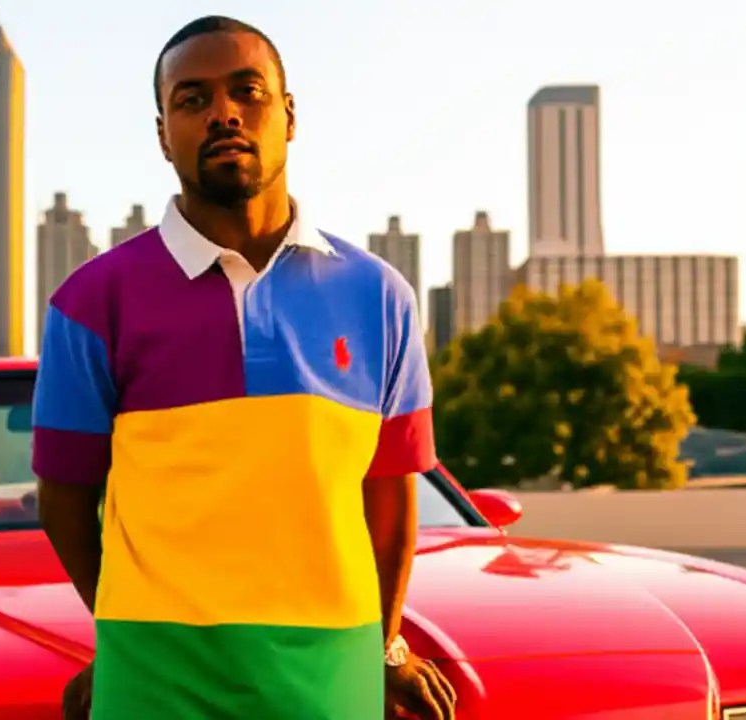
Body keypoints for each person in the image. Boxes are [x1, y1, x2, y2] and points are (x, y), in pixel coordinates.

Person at [33, 15, 457, 720]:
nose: (223, 113)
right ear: (165, 133)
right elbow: (64, 501)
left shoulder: (381, 297)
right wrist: (125, 635)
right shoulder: (89, 302)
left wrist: (385, 649)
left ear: (287, 116)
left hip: (332, 680)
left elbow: (388, 496)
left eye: (247, 91)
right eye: (192, 100)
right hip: (157, 687)